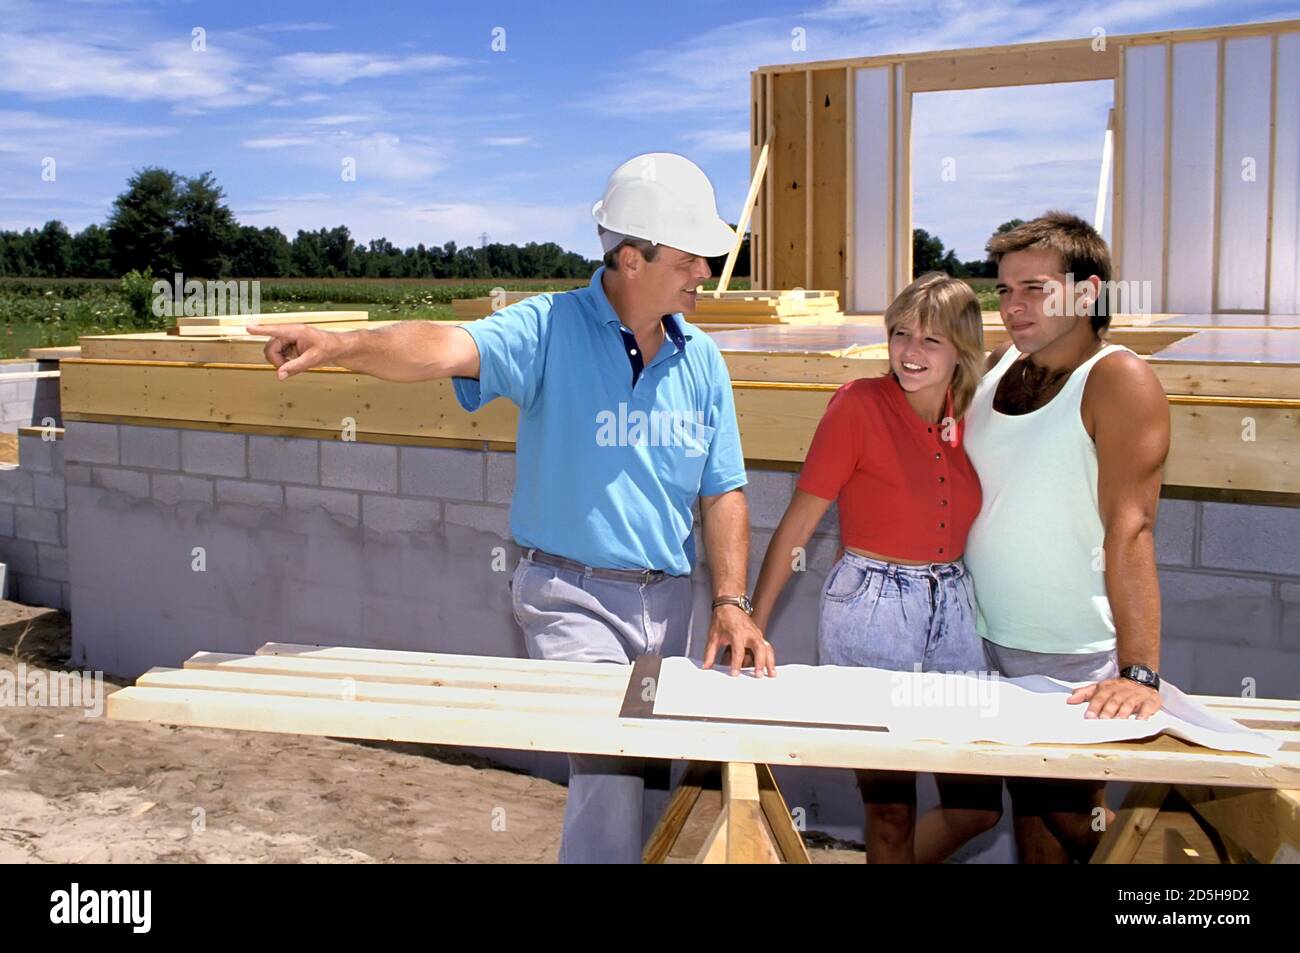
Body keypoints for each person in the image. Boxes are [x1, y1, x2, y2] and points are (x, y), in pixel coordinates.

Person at [246, 152, 775, 864]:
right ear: (630, 258)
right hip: (569, 594)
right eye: (689, 257)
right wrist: (345, 344)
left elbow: (723, 490)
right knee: (611, 762)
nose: (704, 272)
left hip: (669, 601)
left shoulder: (702, 361)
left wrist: (732, 599)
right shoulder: (548, 328)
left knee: (647, 781)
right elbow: (442, 346)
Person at [927, 210, 1171, 864]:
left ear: (1087, 293)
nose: (1011, 306)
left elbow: (1132, 527)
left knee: (1074, 823)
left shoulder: (1118, 379)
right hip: (975, 639)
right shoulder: (1005, 365)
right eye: (1003, 290)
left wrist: (1139, 671)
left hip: (1065, 656)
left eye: (1034, 288)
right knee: (1006, 820)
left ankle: (1199, 897)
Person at [749, 271, 1002, 863]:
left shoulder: (975, 418)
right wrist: (750, 620)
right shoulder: (858, 405)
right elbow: (797, 524)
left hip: (954, 606)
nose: (910, 353)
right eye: (900, 334)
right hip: (871, 605)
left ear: (961, 349)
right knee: (889, 812)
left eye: (931, 340)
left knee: (979, 803)